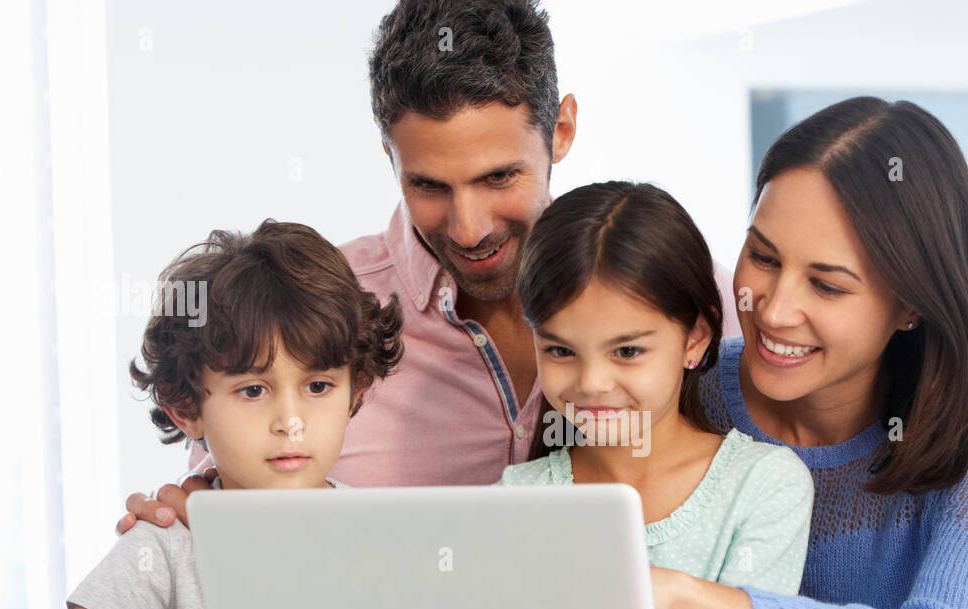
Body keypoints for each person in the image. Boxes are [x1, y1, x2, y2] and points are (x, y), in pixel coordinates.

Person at [117, 0, 740, 533]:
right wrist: (201, 500)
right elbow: (227, 472)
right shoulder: (321, 309)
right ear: (388, 154)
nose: (469, 228)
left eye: (499, 176)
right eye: (428, 184)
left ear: (561, 130)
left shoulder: (671, 285)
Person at [648, 97, 968, 609]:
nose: (775, 310)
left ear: (911, 305)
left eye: (828, 285)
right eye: (763, 257)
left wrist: (683, 599)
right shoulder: (681, 394)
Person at [8, 221, 403, 609]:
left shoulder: (389, 535)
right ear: (187, 409)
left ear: (355, 393)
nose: (291, 421)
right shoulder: (167, 545)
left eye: (318, 386)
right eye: (253, 389)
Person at [495, 181, 846, 609]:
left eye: (628, 351)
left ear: (695, 340)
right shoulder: (517, 499)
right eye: (560, 351)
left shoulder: (764, 485)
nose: (591, 383)